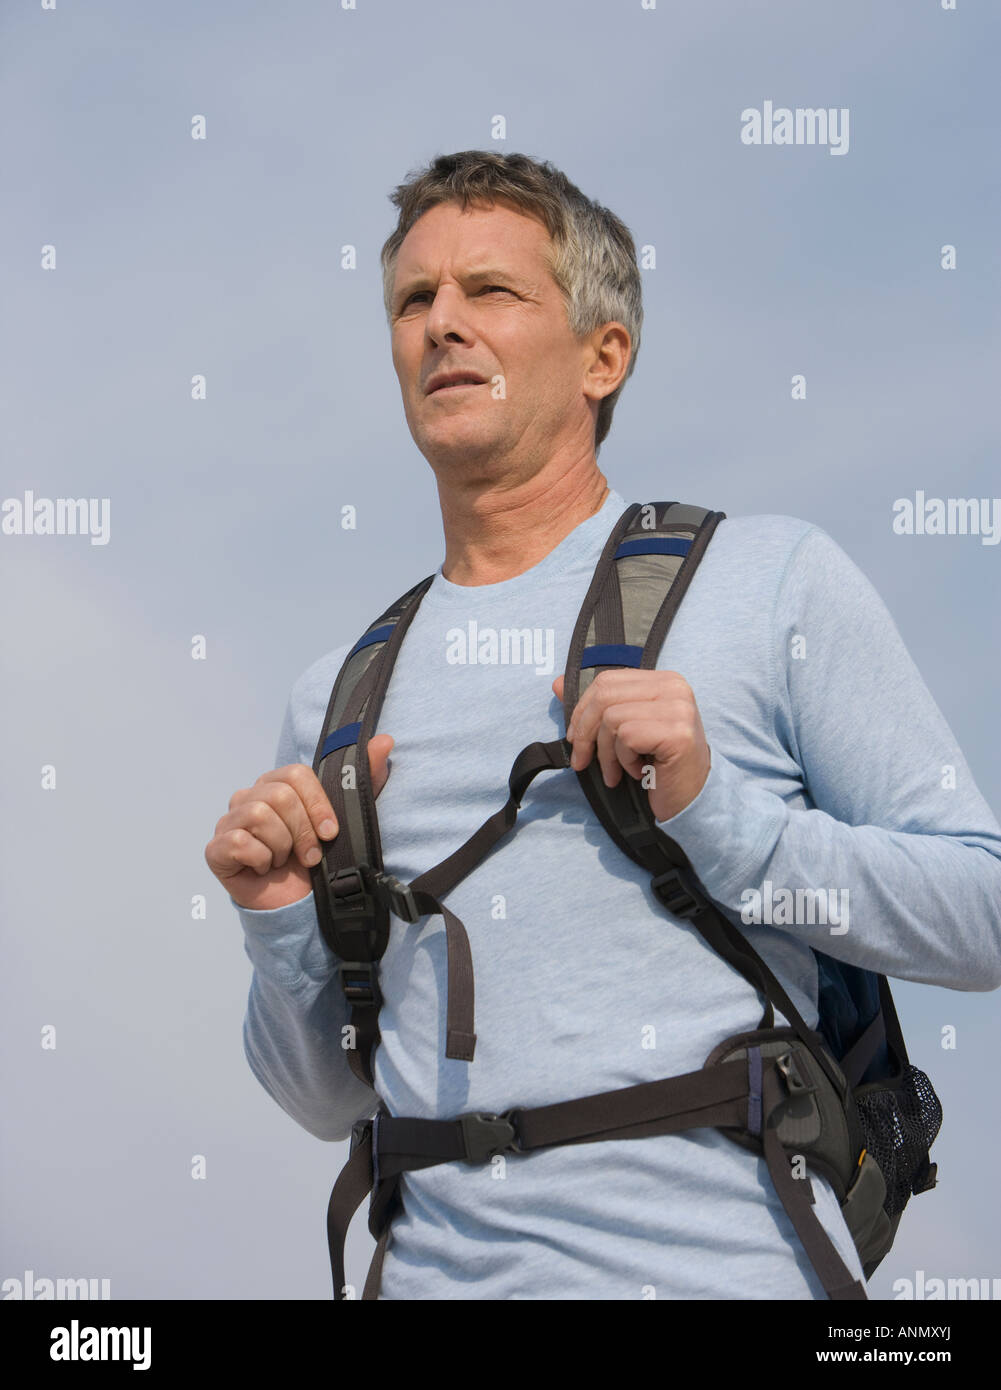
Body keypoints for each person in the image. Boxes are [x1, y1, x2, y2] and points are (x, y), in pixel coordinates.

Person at [204, 150, 1001, 1300]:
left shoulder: (767, 582)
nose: (442, 326)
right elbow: (324, 1097)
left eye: (490, 291)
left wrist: (720, 820)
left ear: (601, 353)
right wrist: (281, 924)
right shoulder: (339, 695)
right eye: (413, 300)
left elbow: (979, 912)